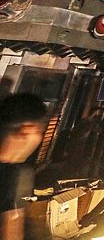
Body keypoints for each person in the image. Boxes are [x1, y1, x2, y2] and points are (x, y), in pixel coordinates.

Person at [0, 93, 47, 240]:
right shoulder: (15, 175)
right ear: (26, 130)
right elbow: (11, 230)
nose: (39, 139)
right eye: (39, 132)